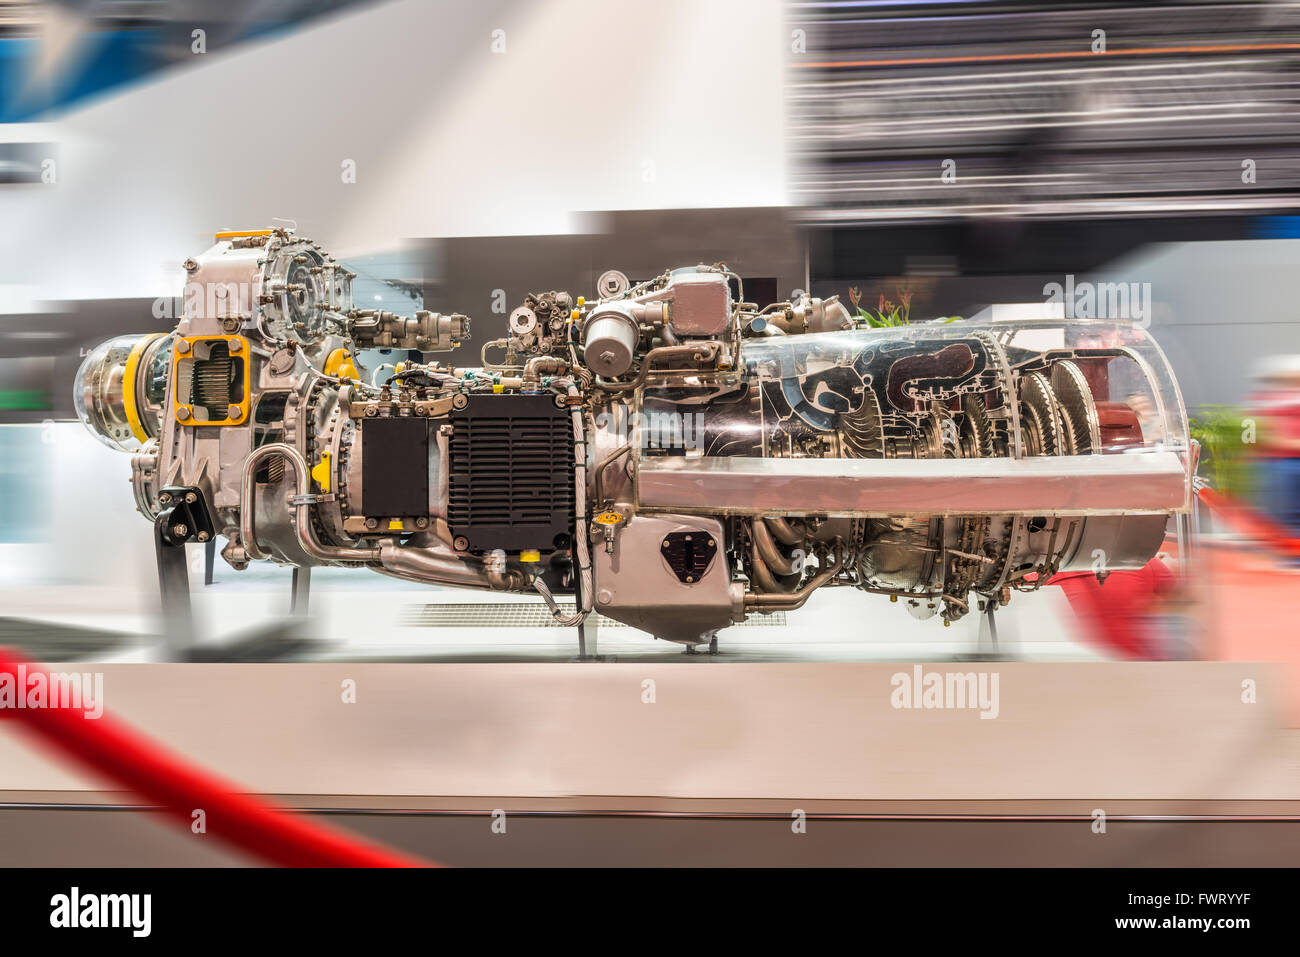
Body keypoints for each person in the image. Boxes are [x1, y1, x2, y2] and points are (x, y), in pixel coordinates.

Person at [1247, 357, 1300, 537]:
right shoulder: (1265, 399)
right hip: (1279, 464)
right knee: (1283, 516)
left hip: (1281, 464)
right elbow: (1253, 434)